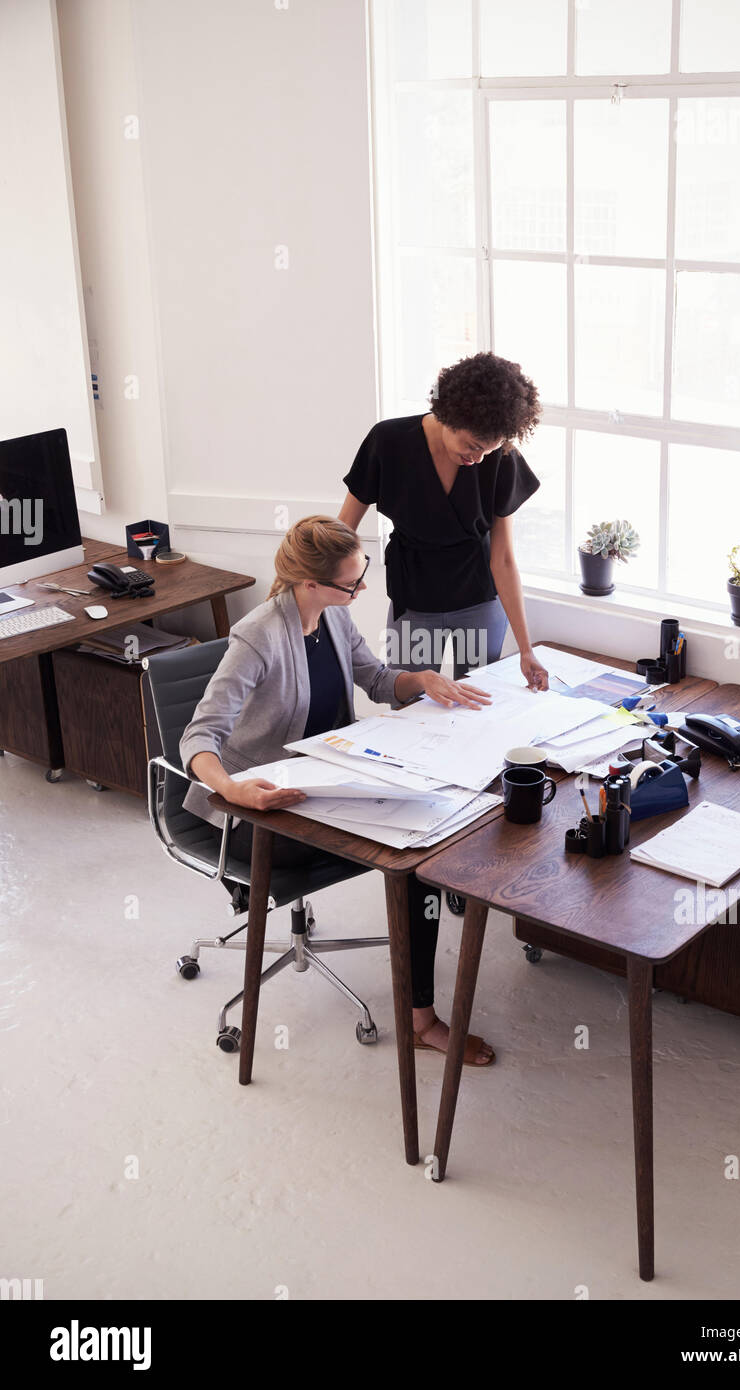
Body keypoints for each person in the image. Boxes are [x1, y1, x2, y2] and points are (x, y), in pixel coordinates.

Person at [178, 516, 495, 1065]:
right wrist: (233, 789)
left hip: (330, 783)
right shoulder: (258, 636)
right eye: (352, 583)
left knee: (442, 815)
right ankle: (421, 1022)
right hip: (266, 807)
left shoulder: (331, 618)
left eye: (361, 575)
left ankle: (419, 1008)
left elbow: (375, 680)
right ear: (309, 583)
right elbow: (199, 736)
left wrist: (421, 682)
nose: (362, 589)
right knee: (414, 858)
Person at [339, 351, 550, 689]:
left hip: (479, 599)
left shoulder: (501, 459)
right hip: (414, 599)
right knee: (408, 702)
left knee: (478, 703)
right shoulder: (388, 441)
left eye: (488, 450)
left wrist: (526, 650)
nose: (477, 458)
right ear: (449, 415)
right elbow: (343, 529)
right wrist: (327, 593)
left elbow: (504, 559)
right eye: (472, 445)